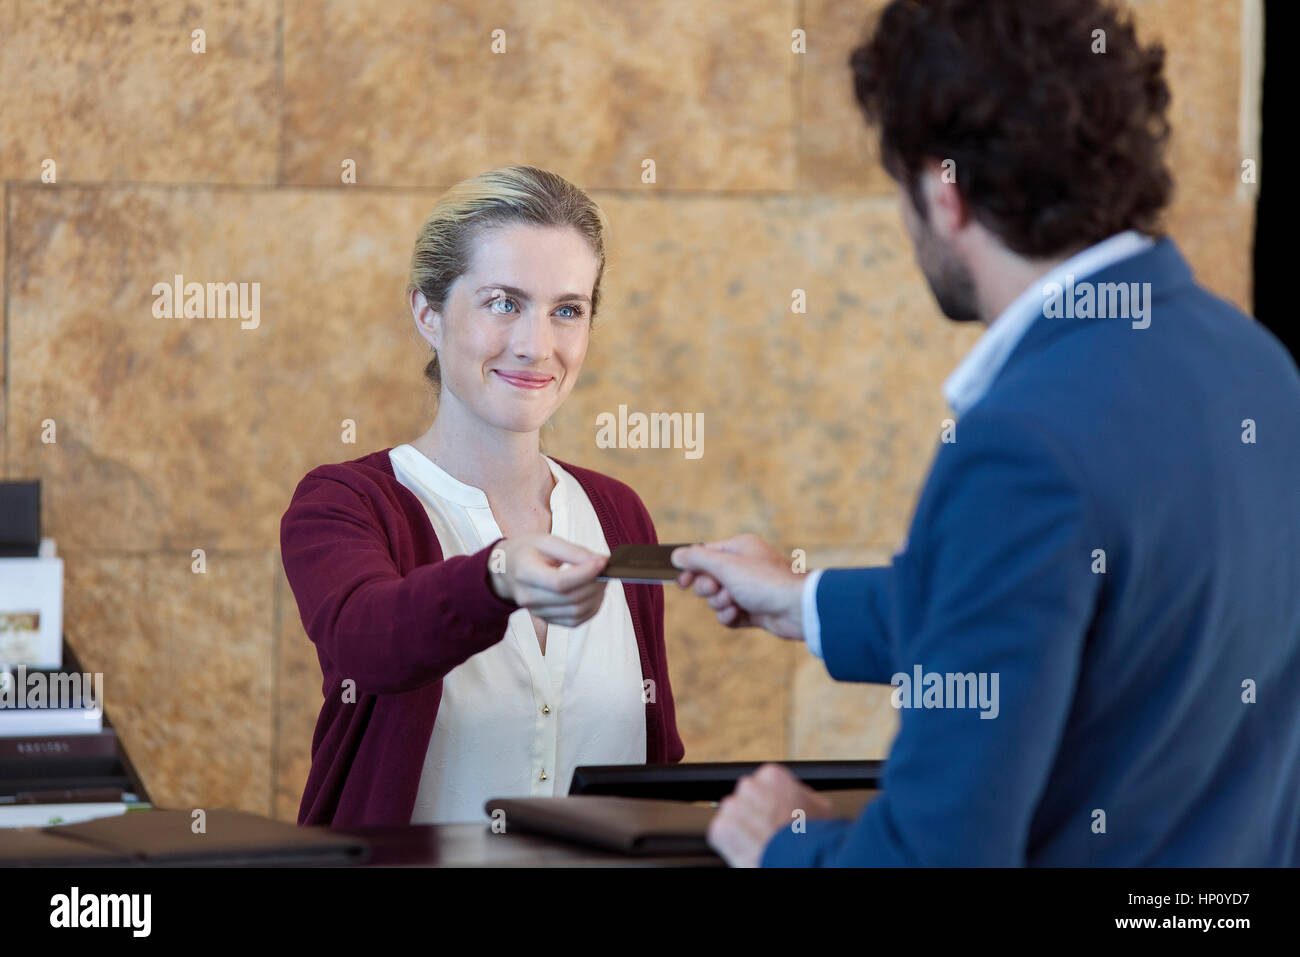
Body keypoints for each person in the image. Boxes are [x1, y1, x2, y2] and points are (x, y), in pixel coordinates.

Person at [672, 0, 1300, 866]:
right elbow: (1077, 621)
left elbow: (938, 855)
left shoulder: (1024, 443)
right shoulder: (1263, 370)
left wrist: (790, 843)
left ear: (945, 190)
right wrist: (806, 602)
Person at [281, 165, 683, 827]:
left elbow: (656, 758)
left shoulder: (617, 512)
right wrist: (496, 576)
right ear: (427, 312)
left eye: (567, 311)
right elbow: (368, 641)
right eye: (503, 302)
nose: (537, 345)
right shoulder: (347, 503)